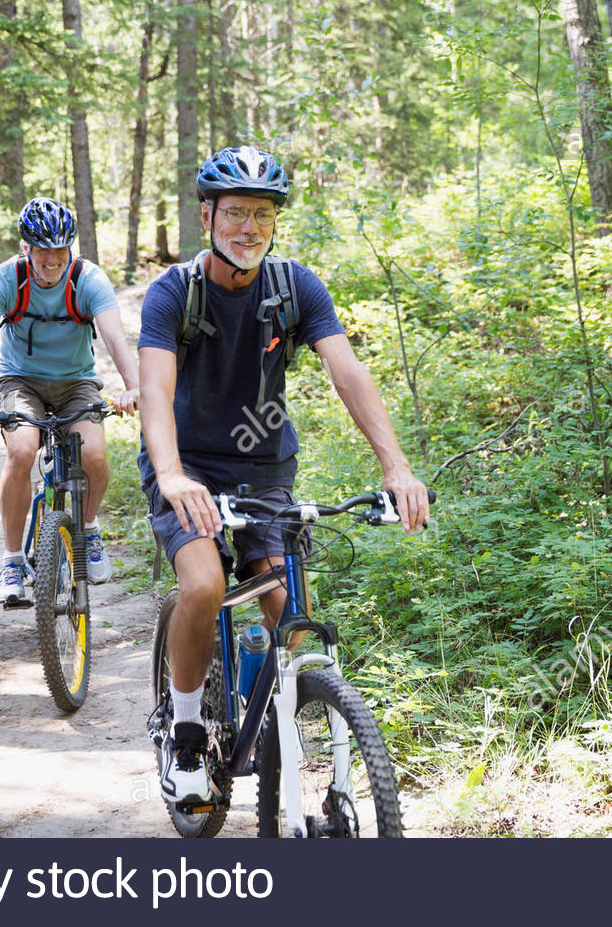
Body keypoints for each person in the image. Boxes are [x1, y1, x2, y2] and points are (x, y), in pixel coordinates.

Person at [137, 146, 430, 805]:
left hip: (266, 469)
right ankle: (186, 733)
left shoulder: (295, 287)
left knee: (291, 622)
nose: (249, 228)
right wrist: (172, 475)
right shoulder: (173, 293)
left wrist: (397, 466)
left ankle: (300, 744)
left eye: (262, 215)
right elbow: (155, 391)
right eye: (236, 212)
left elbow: (346, 371)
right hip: (185, 467)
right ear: (207, 214)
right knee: (206, 583)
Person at [0, 197, 140, 604]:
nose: (53, 260)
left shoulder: (89, 279)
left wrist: (133, 386)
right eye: (43, 250)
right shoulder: (5, 280)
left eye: (61, 250)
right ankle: (12, 561)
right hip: (19, 382)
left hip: (76, 382)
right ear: (26, 248)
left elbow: (114, 336)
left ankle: (89, 530)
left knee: (94, 456)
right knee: (22, 451)